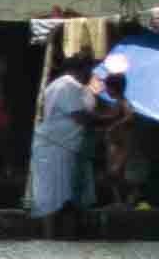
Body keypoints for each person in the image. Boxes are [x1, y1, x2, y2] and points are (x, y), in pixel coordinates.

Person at [25, 50, 106, 218]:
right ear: (82, 69)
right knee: (57, 200)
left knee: (69, 198)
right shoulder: (67, 85)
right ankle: (53, 236)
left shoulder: (73, 87)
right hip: (58, 149)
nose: (91, 74)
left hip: (69, 148)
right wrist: (111, 119)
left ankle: (64, 237)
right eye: (89, 69)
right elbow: (81, 116)